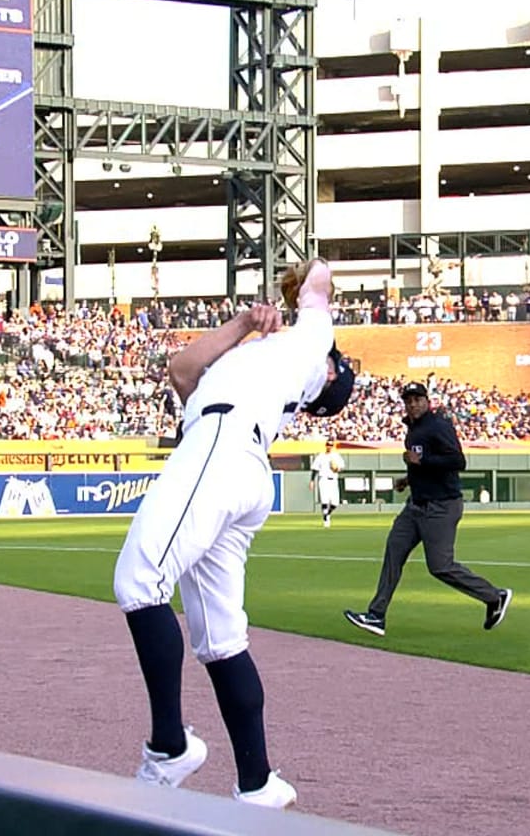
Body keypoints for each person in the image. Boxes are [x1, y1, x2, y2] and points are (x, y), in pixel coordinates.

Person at [113, 258, 355, 809]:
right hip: (232, 457)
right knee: (222, 640)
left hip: (221, 445)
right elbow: (181, 370)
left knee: (139, 581)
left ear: (328, 378)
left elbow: (317, 274)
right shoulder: (255, 358)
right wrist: (247, 321)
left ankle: (170, 746)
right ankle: (258, 781)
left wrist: (296, 287)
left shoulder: (309, 350)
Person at [343, 382, 512, 637]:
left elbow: (458, 461)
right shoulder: (413, 429)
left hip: (441, 506)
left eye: (417, 399)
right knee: (394, 552)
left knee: (440, 566)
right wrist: (408, 479)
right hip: (416, 506)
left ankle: (494, 596)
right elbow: (422, 466)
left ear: (427, 401)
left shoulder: (438, 426)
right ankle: (376, 615)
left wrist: (422, 461)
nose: (412, 404)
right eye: (408, 400)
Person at [308, 445, 345, 527]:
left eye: (331, 445)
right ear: (326, 446)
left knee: (335, 503)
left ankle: (327, 514)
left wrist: (338, 469)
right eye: (328, 444)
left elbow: (342, 466)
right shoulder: (321, 456)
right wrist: (312, 481)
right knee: (324, 501)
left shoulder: (336, 456)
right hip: (323, 479)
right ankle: (325, 519)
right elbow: (315, 469)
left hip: (334, 480)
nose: (329, 446)